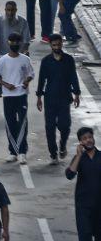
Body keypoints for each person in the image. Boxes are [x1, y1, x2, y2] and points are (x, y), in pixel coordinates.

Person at [37, 34, 81, 163]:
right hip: (50, 98)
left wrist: (77, 93)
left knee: (65, 125)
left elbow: (73, 76)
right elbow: (41, 79)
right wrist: (39, 96)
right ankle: (53, 153)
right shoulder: (46, 61)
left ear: (62, 44)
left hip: (65, 97)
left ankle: (62, 145)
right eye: (54, 45)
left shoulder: (69, 60)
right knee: (49, 127)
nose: (57, 47)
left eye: (59, 44)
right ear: (50, 45)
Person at [65, 127, 101, 241]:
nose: (88, 140)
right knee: (85, 237)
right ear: (80, 141)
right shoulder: (79, 158)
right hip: (83, 205)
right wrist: (79, 155)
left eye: (90, 137)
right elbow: (69, 174)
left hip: (99, 206)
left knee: (99, 238)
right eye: (84, 138)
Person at [0, 33, 34, 164]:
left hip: (21, 95)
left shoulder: (25, 59)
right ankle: (12, 151)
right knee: (10, 123)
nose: (15, 44)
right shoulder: (2, 60)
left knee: (22, 123)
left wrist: (26, 81)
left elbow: (30, 74)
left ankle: (22, 151)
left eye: (17, 42)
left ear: (20, 43)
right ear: (8, 43)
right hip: (8, 96)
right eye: (12, 42)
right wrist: (5, 85)